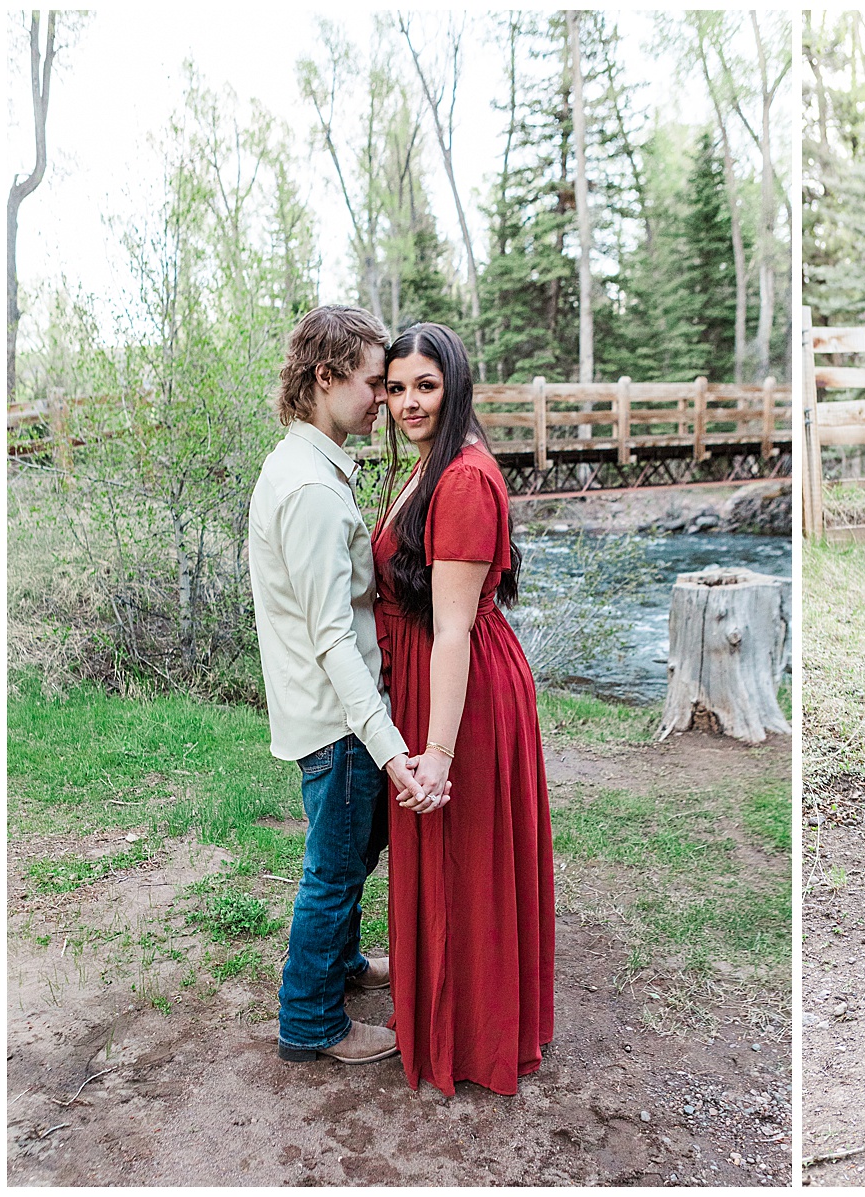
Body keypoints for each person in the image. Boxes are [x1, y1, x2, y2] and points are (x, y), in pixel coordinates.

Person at [248, 305, 443, 1066]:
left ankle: (344, 964)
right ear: (326, 378)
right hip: (338, 722)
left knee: (350, 859)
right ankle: (310, 1021)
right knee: (332, 873)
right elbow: (333, 637)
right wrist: (391, 748)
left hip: (334, 714)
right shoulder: (311, 493)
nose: (384, 400)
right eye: (372, 382)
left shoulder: (308, 468)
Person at [372, 322, 555, 1096]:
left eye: (426, 386)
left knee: (463, 857)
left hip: (464, 690)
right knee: (447, 859)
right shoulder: (428, 464)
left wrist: (438, 754)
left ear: (455, 386)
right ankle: (445, 1011)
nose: (409, 403)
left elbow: (452, 624)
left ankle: (472, 1034)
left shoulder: (465, 479)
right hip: (434, 674)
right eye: (397, 387)